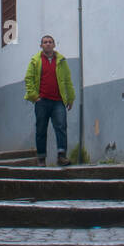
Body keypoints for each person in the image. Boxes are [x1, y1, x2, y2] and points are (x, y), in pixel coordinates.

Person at [24, 34, 75, 166]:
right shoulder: (35, 61)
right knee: (41, 129)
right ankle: (41, 159)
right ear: (41, 45)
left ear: (54, 45)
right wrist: (35, 96)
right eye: (45, 42)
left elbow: (68, 80)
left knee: (61, 127)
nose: (47, 44)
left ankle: (61, 156)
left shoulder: (62, 61)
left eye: (50, 42)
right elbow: (28, 79)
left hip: (58, 101)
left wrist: (70, 98)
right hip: (42, 102)